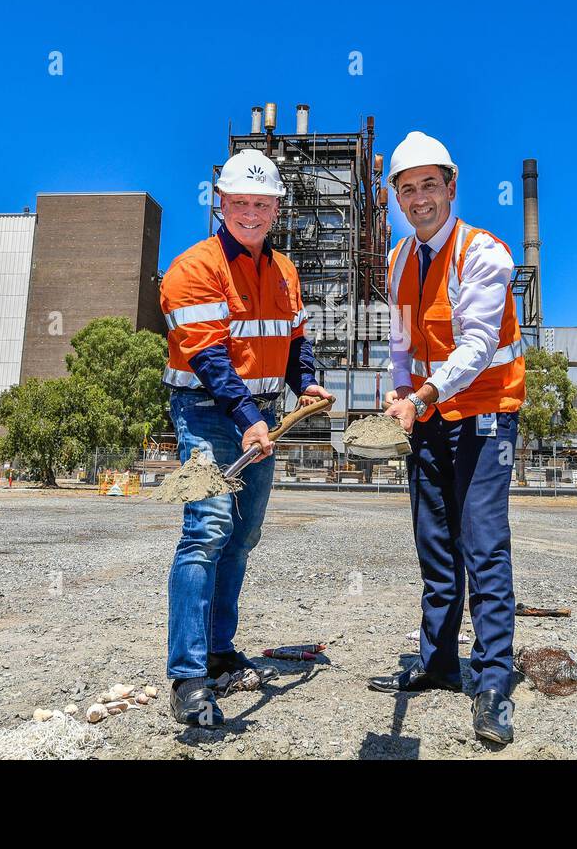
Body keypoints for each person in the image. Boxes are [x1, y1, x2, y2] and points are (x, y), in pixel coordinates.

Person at [159, 148, 333, 726]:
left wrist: (305, 383)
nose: (252, 213)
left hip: (257, 414)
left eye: (262, 203)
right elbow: (208, 357)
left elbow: (295, 339)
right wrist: (246, 419)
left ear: (277, 208)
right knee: (205, 529)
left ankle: (218, 650)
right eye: (241, 203)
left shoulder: (284, 272)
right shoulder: (194, 269)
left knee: (243, 535)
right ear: (220, 204)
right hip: (205, 413)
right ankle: (187, 676)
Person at [368, 132, 526, 745]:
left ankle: (491, 680)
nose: (419, 198)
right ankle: (437, 663)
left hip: (486, 415)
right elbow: (402, 343)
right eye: (407, 189)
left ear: (452, 187)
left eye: (429, 185)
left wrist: (419, 397)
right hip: (430, 417)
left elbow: (479, 347)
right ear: (397, 201)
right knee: (434, 540)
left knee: (482, 542)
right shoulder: (399, 260)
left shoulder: (482, 253)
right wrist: (396, 392)